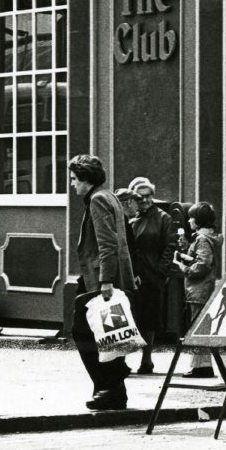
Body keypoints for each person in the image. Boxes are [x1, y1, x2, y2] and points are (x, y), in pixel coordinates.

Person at [67, 154, 136, 411]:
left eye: (75, 179)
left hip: (100, 278)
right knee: (109, 334)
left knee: (84, 331)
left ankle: (112, 381)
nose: (72, 184)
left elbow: (108, 244)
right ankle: (112, 391)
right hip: (106, 276)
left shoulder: (97, 200)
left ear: (86, 179)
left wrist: (106, 281)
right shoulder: (109, 197)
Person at [125, 176, 176, 374]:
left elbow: (170, 247)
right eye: (139, 197)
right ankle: (123, 360)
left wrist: (160, 272)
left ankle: (147, 360)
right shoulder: (129, 217)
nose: (144, 200)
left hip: (151, 276)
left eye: (148, 196)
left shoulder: (163, 218)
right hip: (130, 274)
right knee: (129, 318)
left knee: (149, 320)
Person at [178, 201, 223, 378]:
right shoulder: (206, 238)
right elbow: (198, 257)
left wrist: (185, 269)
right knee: (201, 326)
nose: (189, 221)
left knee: (198, 326)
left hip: (199, 290)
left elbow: (203, 264)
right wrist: (184, 251)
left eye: (191, 218)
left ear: (198, 221)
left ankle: (201, 367)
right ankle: (200, 365)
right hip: (203, 288)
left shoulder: (202, 239)